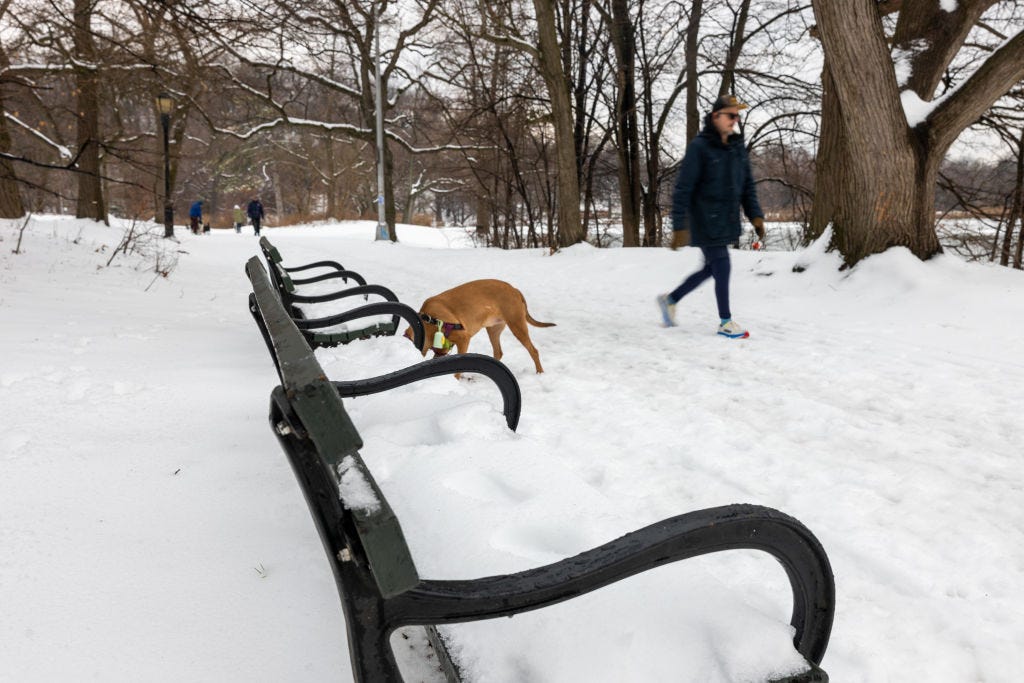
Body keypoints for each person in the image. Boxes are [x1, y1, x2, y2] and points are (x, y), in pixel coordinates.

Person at [656, 94, 766, 339]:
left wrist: (756, 216)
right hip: (704, 219)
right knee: (722, 264)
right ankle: (725, 321)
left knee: (711, 268)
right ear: (716, 116)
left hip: (727, 219)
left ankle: (670, 300)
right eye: (731, 115)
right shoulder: (700, 147)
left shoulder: (737, 148)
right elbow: (683, 188)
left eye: (737, 116)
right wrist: (678, 226)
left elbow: (747, 186)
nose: (735, 120)